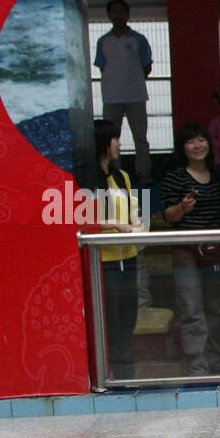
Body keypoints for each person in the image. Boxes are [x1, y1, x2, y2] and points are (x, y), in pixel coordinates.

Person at [160, 123, 220, 376]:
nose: (198, 145)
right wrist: (182, 208)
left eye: (202, 140)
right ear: (182, 148)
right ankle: (197, 364)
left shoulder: (218, 174)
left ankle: (213, 358)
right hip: (185, 251)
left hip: (214, 251)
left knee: (213, 307)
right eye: (191, 141)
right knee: (191, 309)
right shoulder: (175, 177)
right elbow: (168, 215)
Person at [87, 118, 143, 379]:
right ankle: (108, 375)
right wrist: (112, 225)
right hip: (102, 261)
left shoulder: (122, 177)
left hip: (128, 258)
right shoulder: (84, 179)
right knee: (108, 321)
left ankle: (126, 375)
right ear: (102, 143)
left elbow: (133, 213)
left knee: (127, 318)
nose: (119, 144)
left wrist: (137, 224)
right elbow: (75, 220)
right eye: (115, 138)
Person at [94, 0, 152, 184]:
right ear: (109, 15)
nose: (118, 16)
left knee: (140, 138)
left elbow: (147, 67)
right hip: (111, 97)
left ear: (127, 15)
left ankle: (144, 174)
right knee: (110, 139)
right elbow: (102, 67)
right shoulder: (103, 41)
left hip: (136, 95)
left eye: (122, 12)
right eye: (115, 12)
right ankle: (115, 176)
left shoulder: (139, 39)